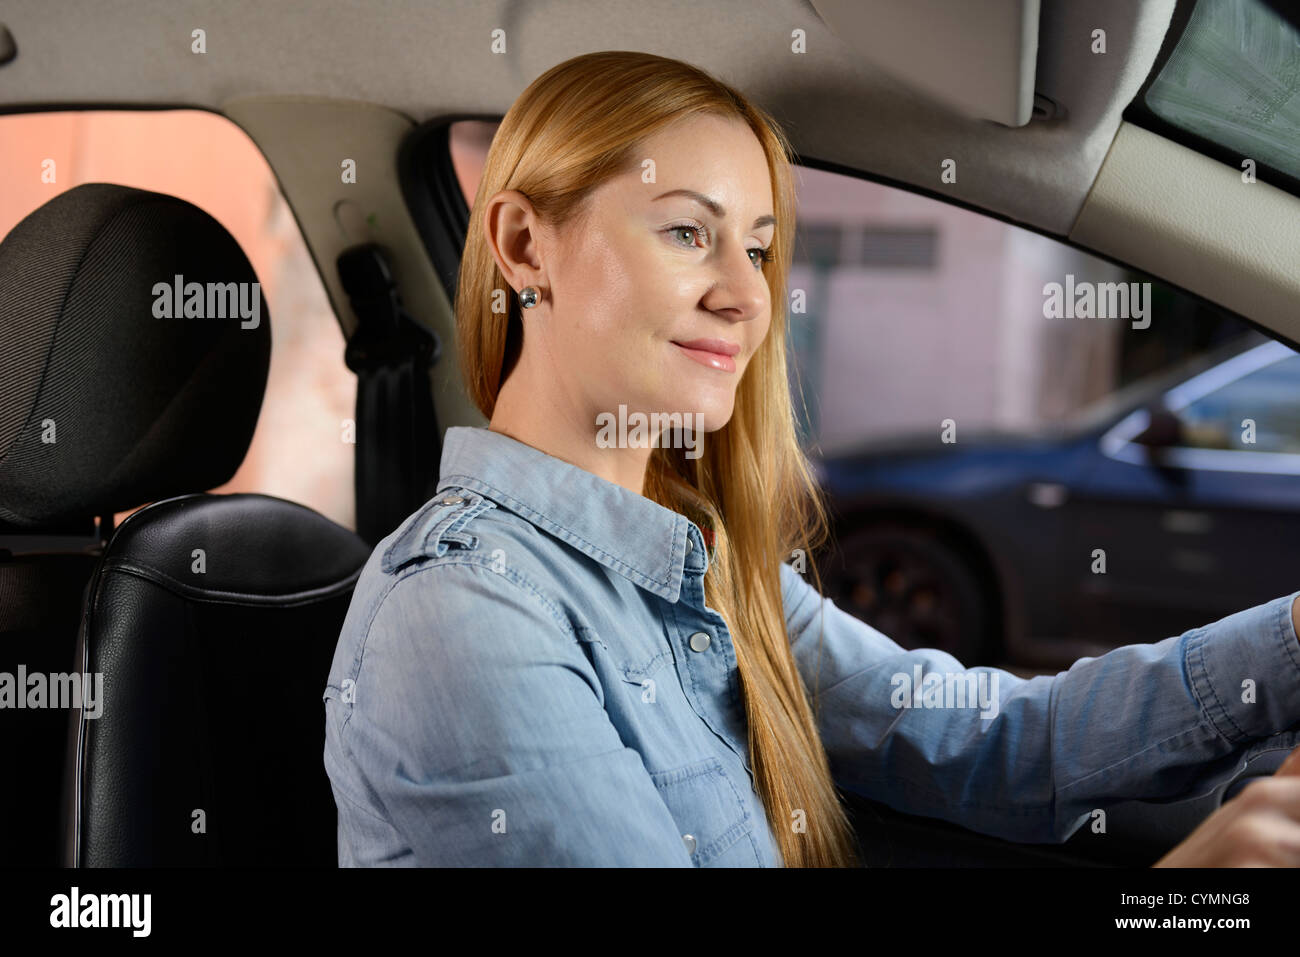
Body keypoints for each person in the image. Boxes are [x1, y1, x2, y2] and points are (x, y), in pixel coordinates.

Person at [322, 50, 1300, 867]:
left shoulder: (711, 569)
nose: (748, 298)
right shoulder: (462, 616)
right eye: (685, 232)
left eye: (756, 248)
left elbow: (1000, 744)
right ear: (524, 245)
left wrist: (1290, 641)